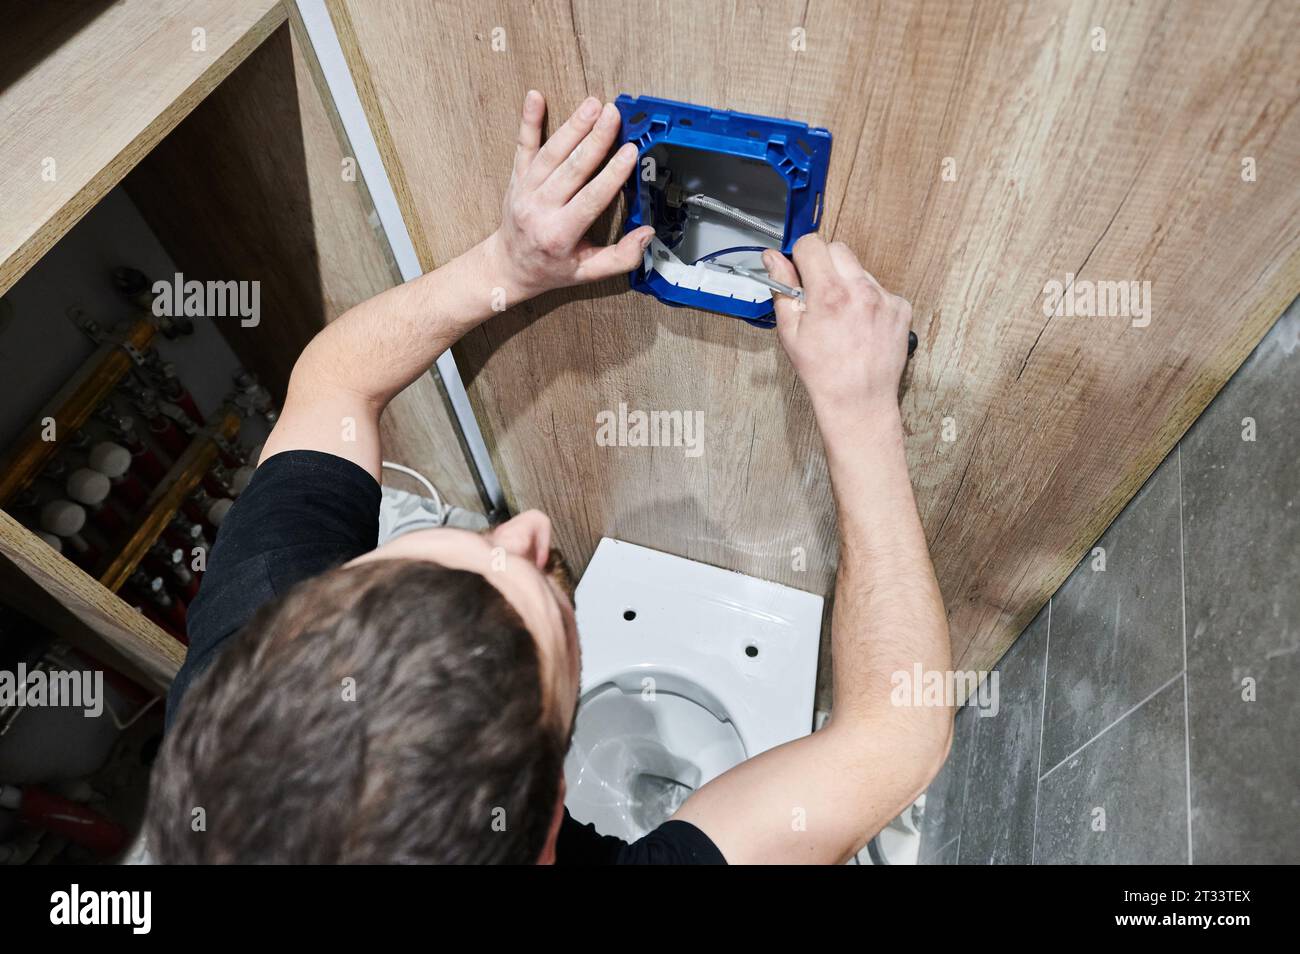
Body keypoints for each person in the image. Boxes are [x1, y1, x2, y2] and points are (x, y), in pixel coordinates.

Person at [145, 92, 952, 865]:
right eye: (535, 595)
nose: (526, 529)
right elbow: (896, 737)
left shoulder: (244, 700)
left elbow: (334, 387)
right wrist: (860, 413)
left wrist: (503, 265)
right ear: (551, 825)